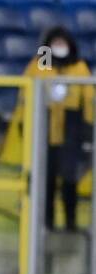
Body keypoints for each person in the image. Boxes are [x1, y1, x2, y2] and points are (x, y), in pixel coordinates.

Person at [25, 27, 94, 233]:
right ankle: (47, 224)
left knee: (69, 180)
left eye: (62, 43)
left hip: (71, 128)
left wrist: (88, 126)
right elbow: (33, 79)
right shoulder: (44, 63)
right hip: (45, 128)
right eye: (55, 43)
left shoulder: (79, 66)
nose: (59, 47)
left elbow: (89, 98)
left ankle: (71, 223)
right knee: (46, 179)